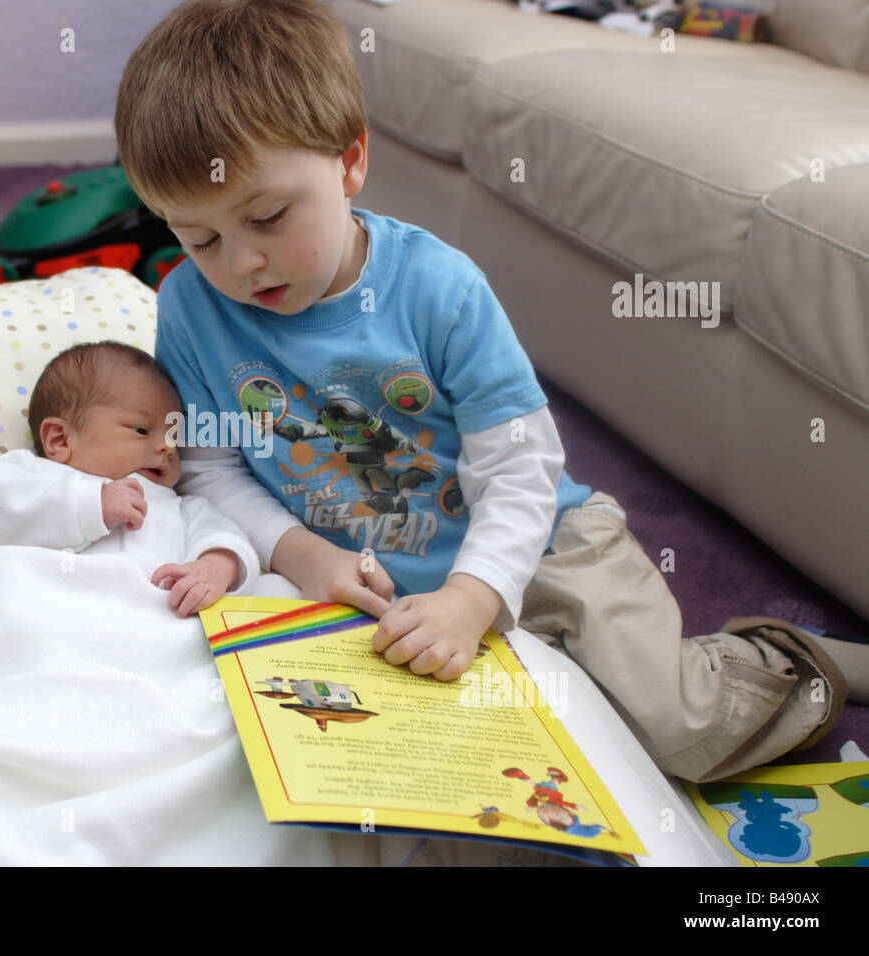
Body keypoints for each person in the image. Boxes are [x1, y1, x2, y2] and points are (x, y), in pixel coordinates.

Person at [112, 0, 852, 781]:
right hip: (374, 579)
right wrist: (298, 552)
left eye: (267, 217)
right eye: (199, 238)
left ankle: (786, 661)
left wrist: (473, 597)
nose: (241, 265)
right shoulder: (188, 308)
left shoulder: (441, 290)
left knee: (678, 736)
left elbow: (523, 467)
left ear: (350, 162)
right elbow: (212, 464)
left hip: (543, 546)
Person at [0, 341, 260, 617]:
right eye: (140, 430)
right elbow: (0, 517)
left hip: (146, 637)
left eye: (176, 434)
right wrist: (92, 504)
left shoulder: (185, 508)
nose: (169, 447)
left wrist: (213, 570)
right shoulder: (31, 474)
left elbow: (225, 539)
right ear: (60, 440)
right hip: (49, 617)